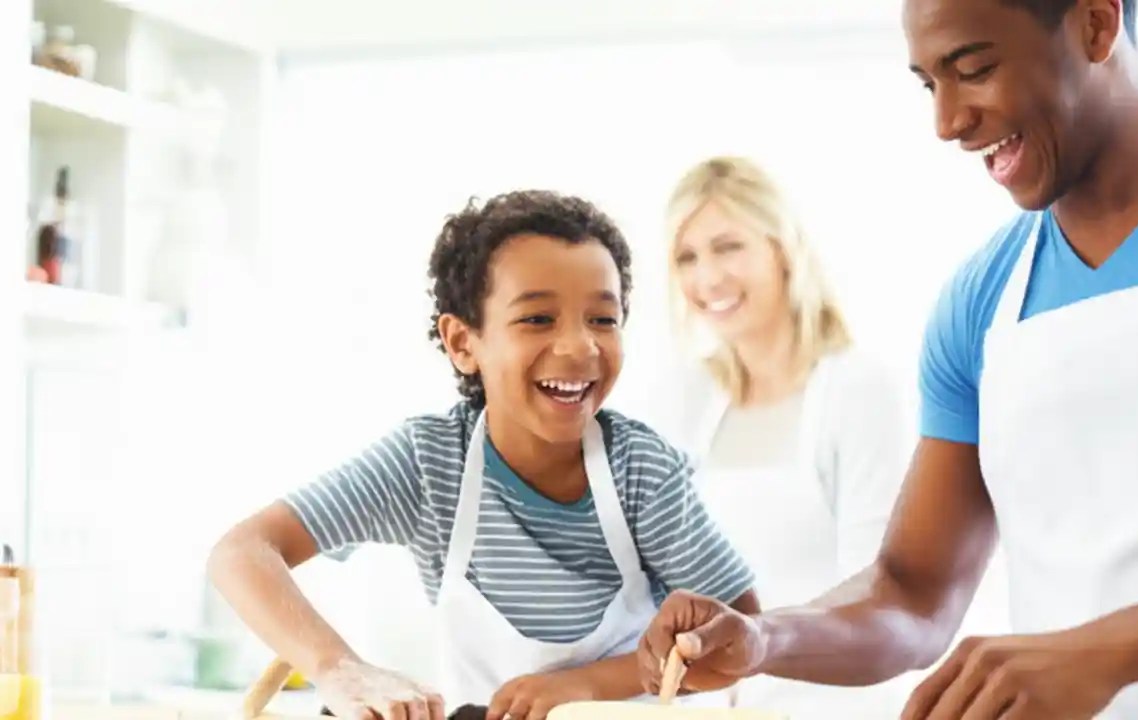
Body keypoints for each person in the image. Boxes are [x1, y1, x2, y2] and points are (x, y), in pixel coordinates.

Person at [635, 1, 1138, 718]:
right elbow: (911, 593)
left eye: (974, 70)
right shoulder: (982, 301)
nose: (947, 122)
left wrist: (1104, 654)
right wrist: (764, 637)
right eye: (929, 85)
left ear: (1096, 25)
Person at [207, 190, 760, 720]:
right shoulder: (429, 465)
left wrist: (581, 685)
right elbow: (243, 551)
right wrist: (338, 668)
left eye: (602, 319)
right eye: (538, 319)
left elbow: (741, 635)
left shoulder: (640, 469)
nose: (579, 347)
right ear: (462, 342)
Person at [651, 156, 910, 717]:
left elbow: (876, 589)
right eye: (687, 257)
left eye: (728, 247)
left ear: (783, 248)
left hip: (835, 703)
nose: (708, 277)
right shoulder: (685, 398)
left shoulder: (856, 389)